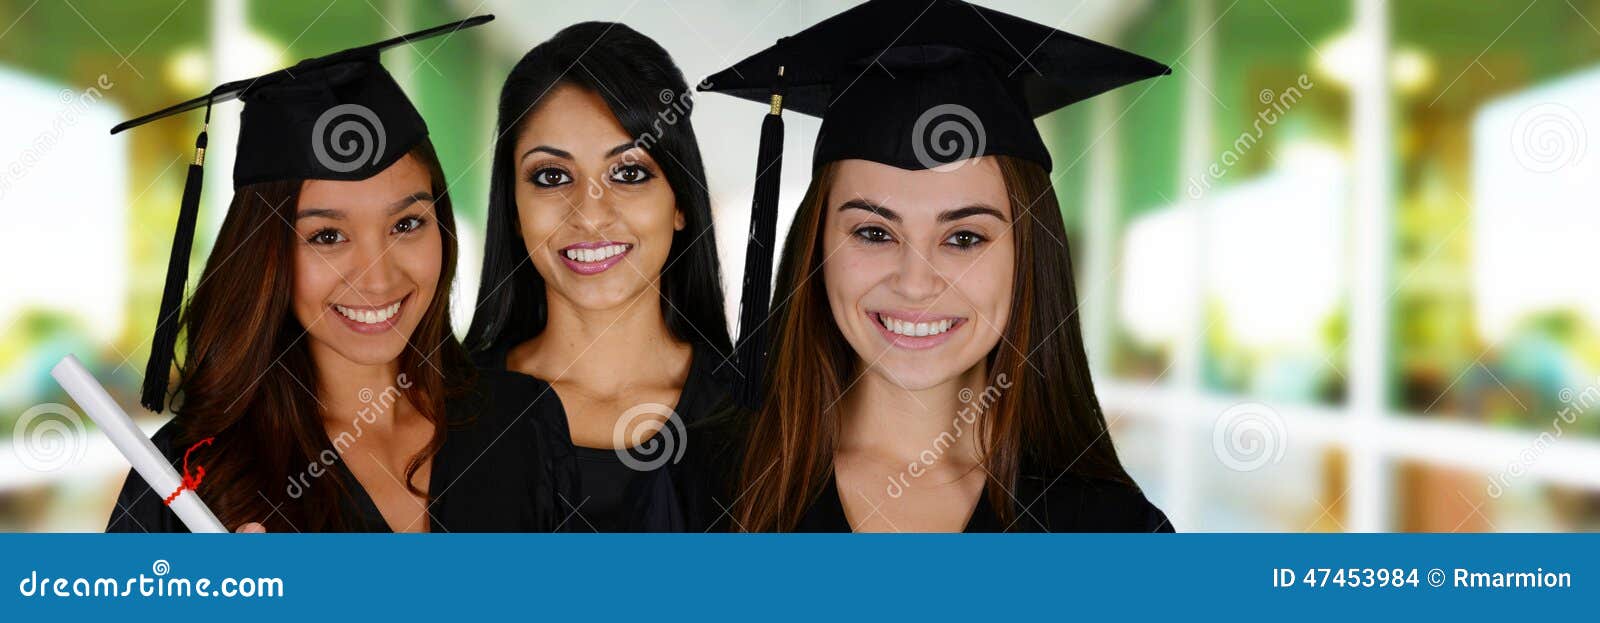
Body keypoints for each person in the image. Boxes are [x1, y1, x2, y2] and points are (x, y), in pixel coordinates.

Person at [700, 0, 1175, 532]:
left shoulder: (1111, 532)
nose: (915, 282)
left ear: (1029, 256)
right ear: (816, 248)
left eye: (965, 237)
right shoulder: (701, 492)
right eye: (874, 233)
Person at [107, 17, 560, 533]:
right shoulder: (189, 475)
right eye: (327, 236)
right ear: (267, 254)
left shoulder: (523, 419)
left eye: (406, 223)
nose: (378, 275)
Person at [464, 22, 734, 532]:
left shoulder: (765, 420)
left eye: (629, 173)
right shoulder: (443, 414)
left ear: (680, 202)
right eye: (552, 176)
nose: (589, 215)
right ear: (514, 209)